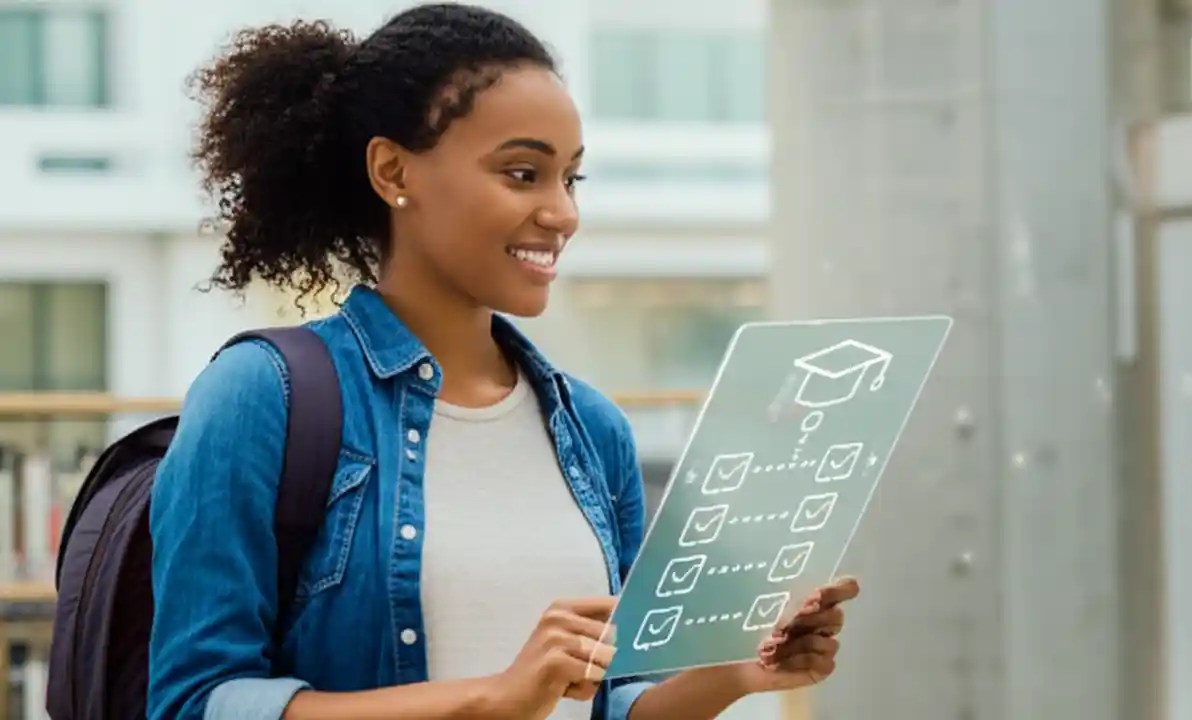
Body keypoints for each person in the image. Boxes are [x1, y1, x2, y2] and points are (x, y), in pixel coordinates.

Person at [148, 4, 861, 719]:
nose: (562, 214)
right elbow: (195, 701)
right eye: (523, 173)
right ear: (393, 170)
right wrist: (490, 698)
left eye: (571, 180)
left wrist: (733, 670)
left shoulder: (592, 428)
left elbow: (611, 703)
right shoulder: (263, 395)